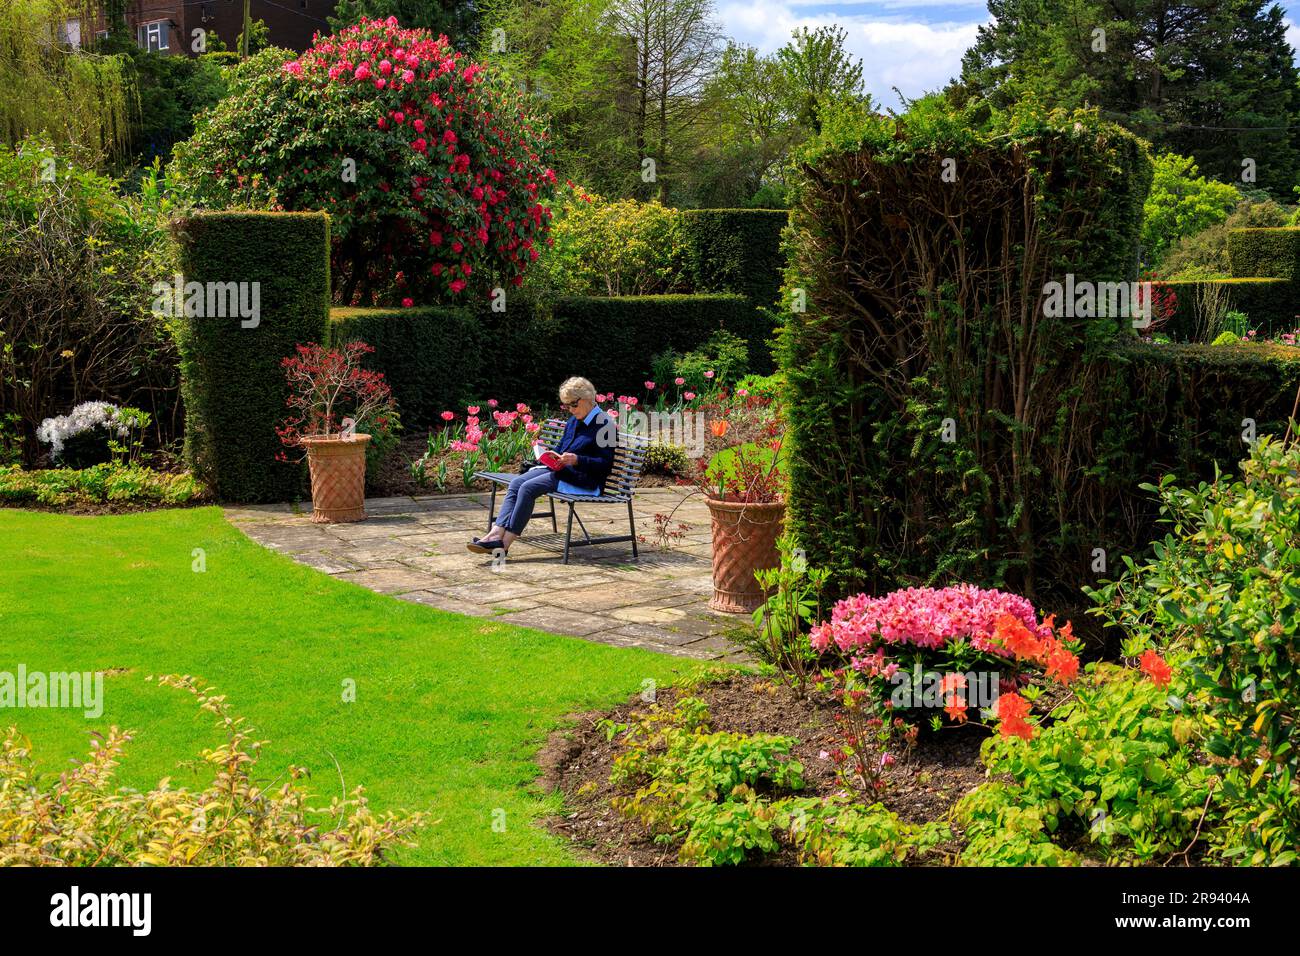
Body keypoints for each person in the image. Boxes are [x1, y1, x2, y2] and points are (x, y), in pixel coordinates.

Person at [468, 377, 616, 556]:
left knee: (528, 488)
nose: (570, 409)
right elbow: (561, 448)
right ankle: (494, 534)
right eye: (566, 406)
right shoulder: (574, 420)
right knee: (516, 484)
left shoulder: (605, 425)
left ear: (585, 400)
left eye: (572, 405)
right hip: (562, 470)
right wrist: (549, 455)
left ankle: (504, 544)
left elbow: (605, 465)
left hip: (583, 478)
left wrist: (578, 459)